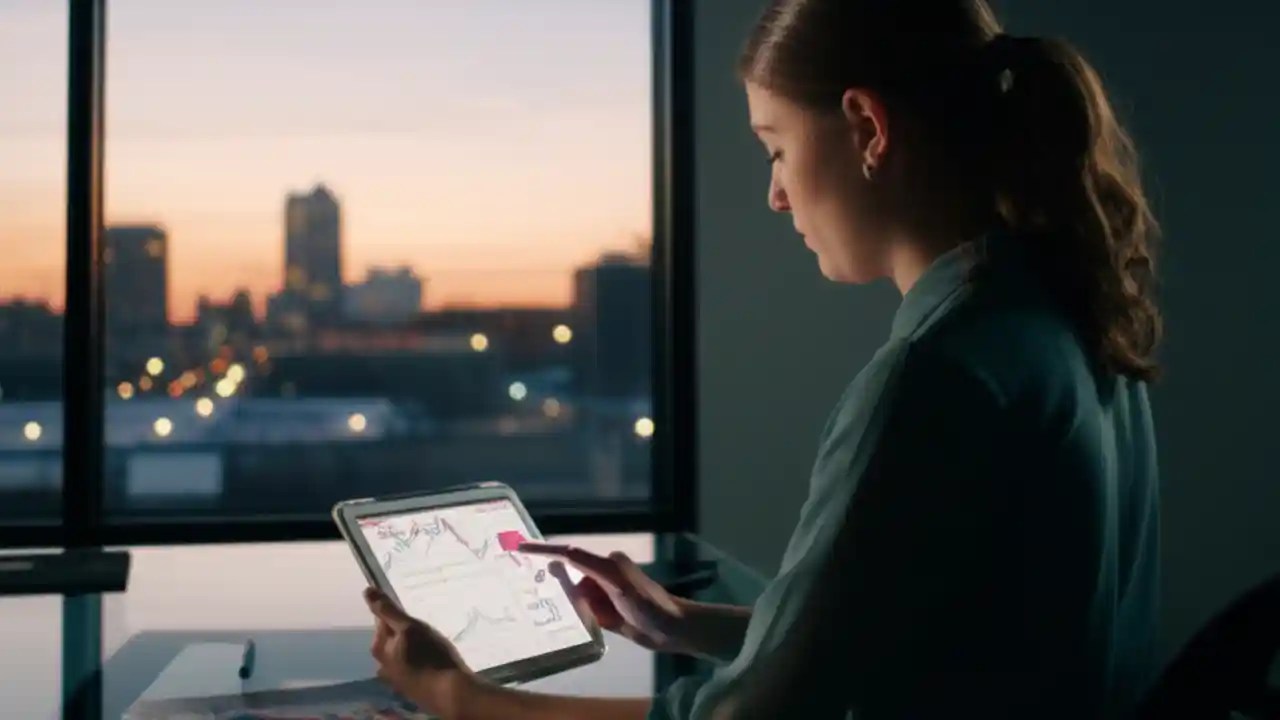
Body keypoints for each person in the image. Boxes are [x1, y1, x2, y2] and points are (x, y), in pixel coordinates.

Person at [360, 0, 1164, 717]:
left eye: (775, 148)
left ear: (868, 129)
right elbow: (952, 646)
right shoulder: (1060, 320)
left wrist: (459, 698)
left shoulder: (935, 376)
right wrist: (682, 623)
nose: (775, 195)